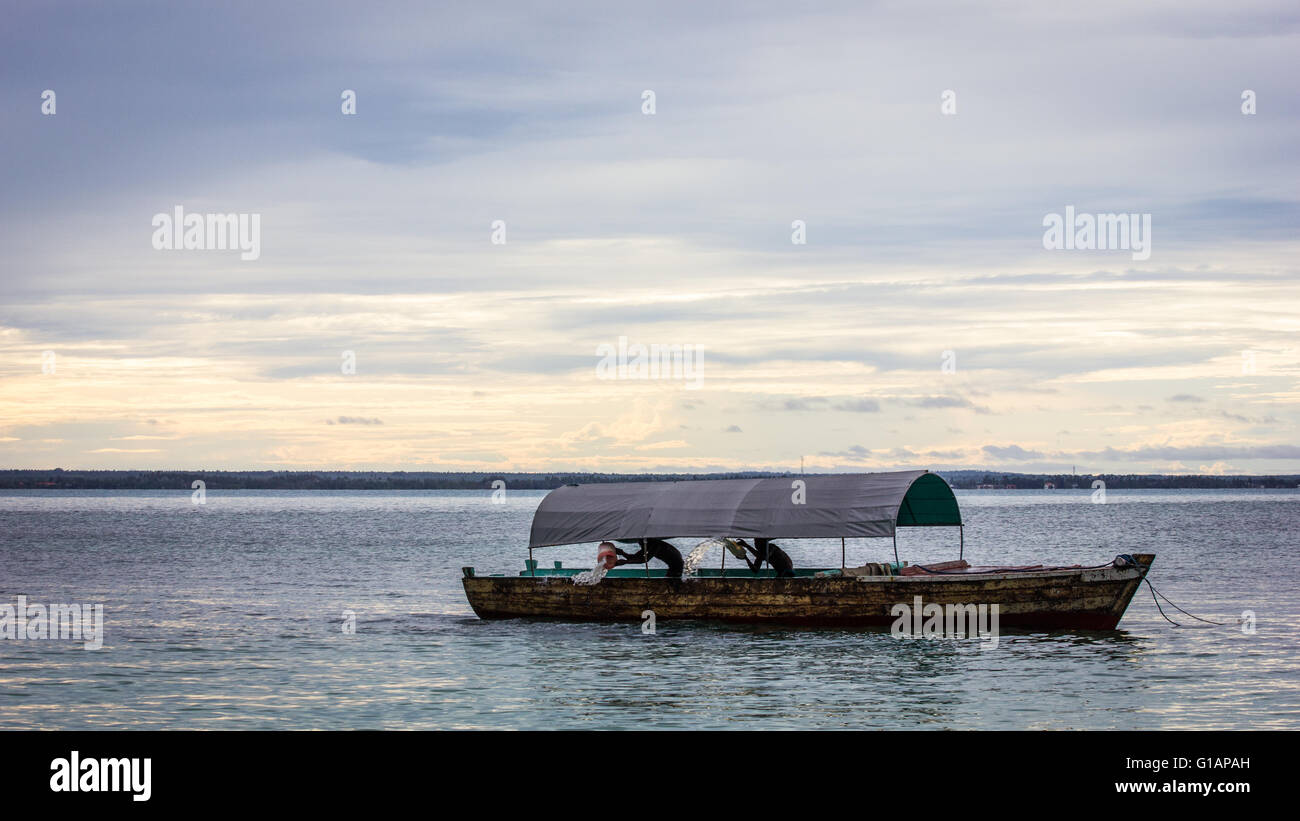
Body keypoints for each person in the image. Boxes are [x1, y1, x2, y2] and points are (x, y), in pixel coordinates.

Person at [614, 538, 684, 579]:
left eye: (640, 543)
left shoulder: (656, 545)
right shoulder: (649, 545)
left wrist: (625, 562)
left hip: (677, 567)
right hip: (673, 567)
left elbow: (644, 560)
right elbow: (636, 557)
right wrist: (622, 553)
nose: (640, 545)